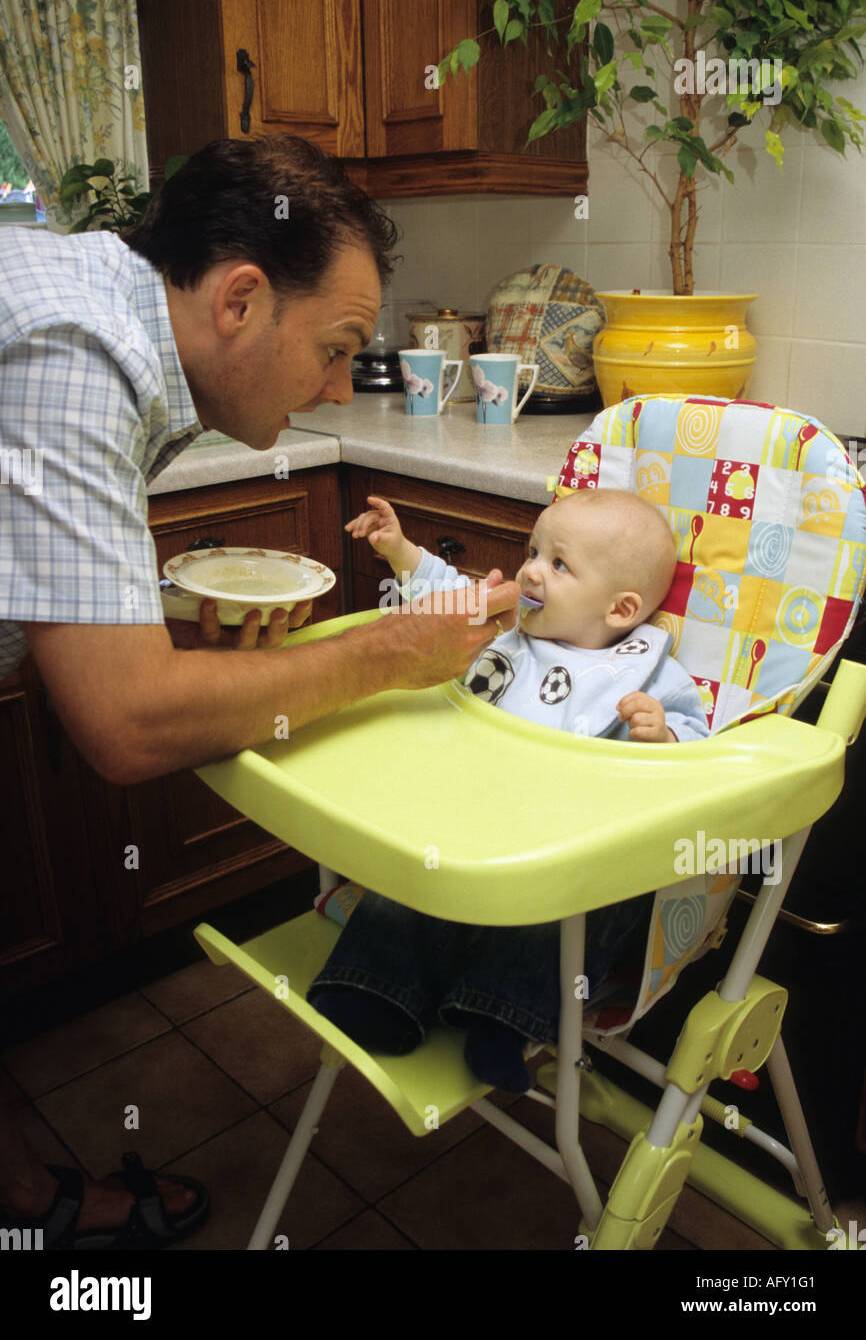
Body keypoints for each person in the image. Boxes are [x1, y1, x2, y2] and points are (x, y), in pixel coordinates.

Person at [0, 134, 517, 1248]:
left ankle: (22, 1192)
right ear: (240, 297)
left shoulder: (99, 306)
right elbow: (126, 723)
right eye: (334, 349)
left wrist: (175, 625)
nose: (339, 385)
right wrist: (389, 651)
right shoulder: (70, 349)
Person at [307, 488, 710, 1093]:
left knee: (567, 916)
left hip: (561, 851)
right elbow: (449, 599)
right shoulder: (506, 630)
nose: (529, 570)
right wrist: (402, 552)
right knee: (411, 883)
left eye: (558, 563)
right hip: (465, 826)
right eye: (532, 551)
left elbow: (699, 749)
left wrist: (661, 735)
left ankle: (501, 1021)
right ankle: (372, 990)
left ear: (622, 610)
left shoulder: (644, 669)